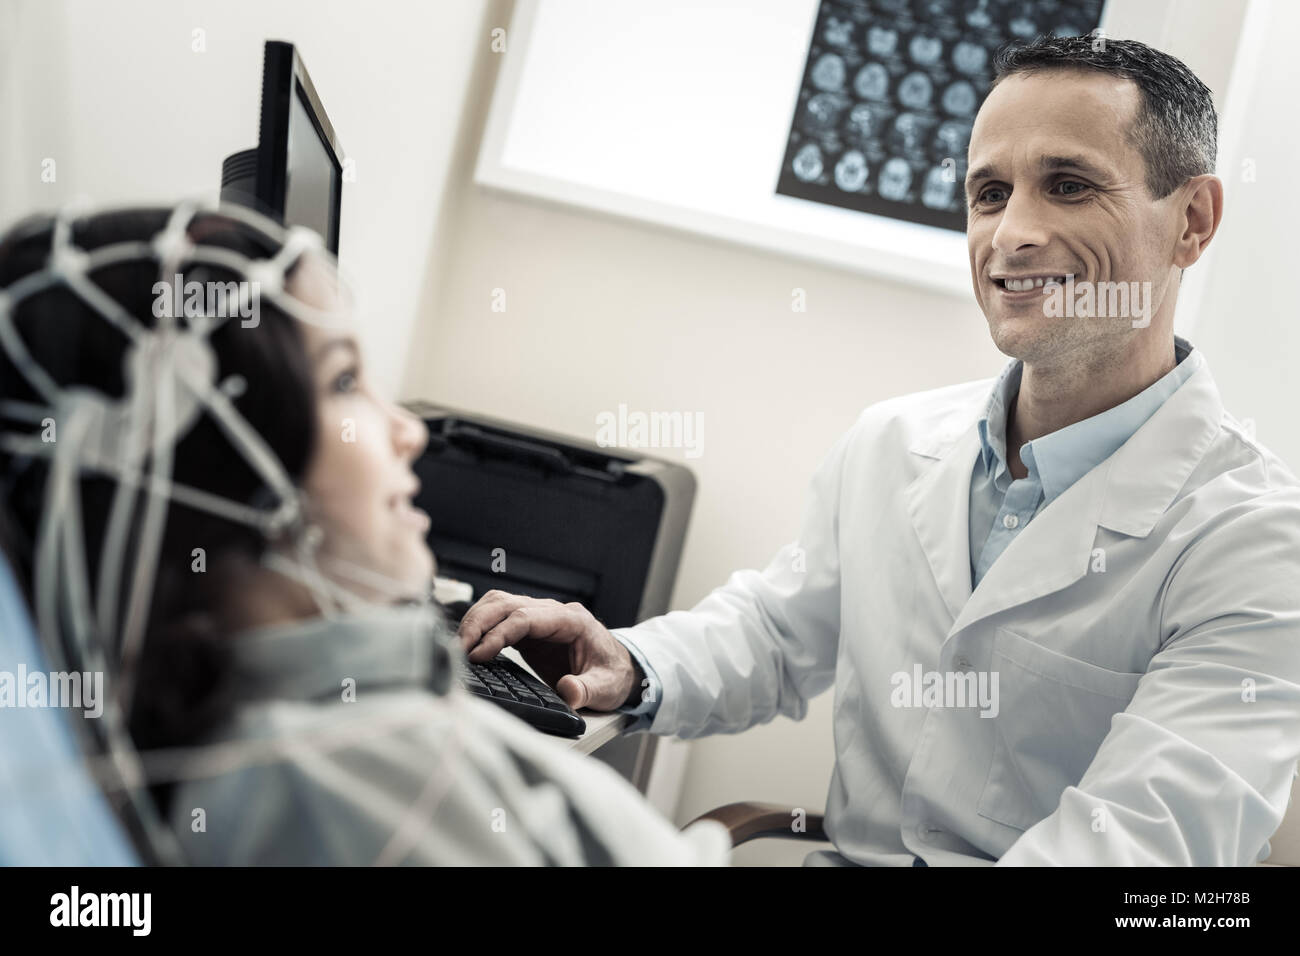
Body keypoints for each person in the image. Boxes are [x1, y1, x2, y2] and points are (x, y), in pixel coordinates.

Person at [459, 35, 1300, 865]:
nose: (1012, 234)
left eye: (1070, 186)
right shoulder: (893, 444)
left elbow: (1142, 845)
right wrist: (632, 661)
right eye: (989, 193)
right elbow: (775, 632)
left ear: (1192, 221)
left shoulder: (1258, 543)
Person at [0, 202, 728, 865]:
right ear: (226, 476)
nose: (408, 431)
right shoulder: (341, 778)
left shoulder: (333, 731)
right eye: (345, 382)